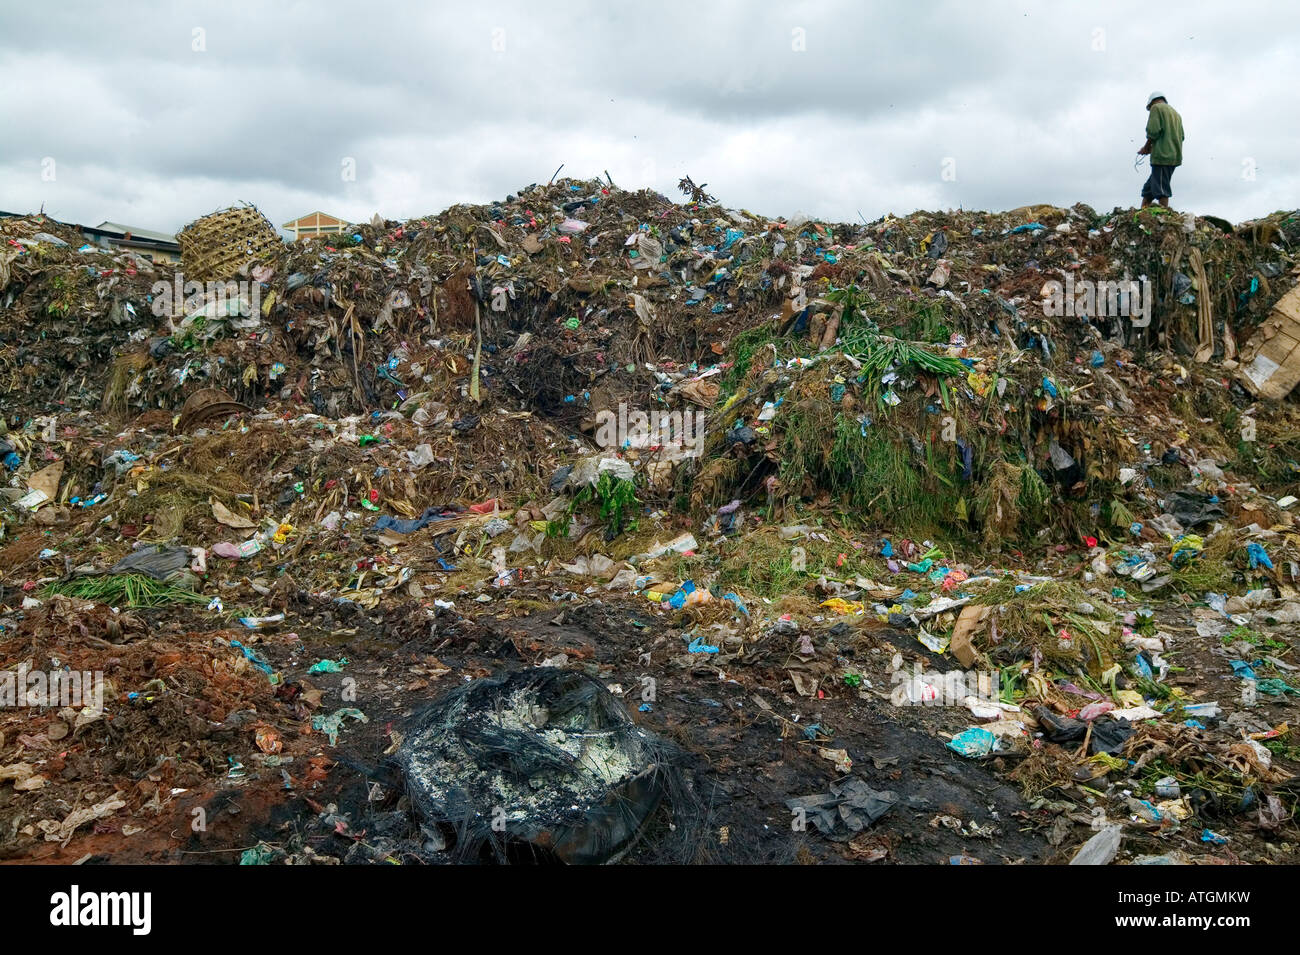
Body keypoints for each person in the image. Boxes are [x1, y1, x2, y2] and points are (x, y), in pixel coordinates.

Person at [1137, 91, 1184, 208]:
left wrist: (1146, 147)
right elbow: (1181, 137)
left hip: (1163, 157)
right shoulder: (1176, 114)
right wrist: (1153, 148)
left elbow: (1153, 131)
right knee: (1149, 189)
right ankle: (1141, 214)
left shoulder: (1156, 108)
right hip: (1173, 156)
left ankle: (1164, 216)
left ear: (1152, 102)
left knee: (1161, 189)